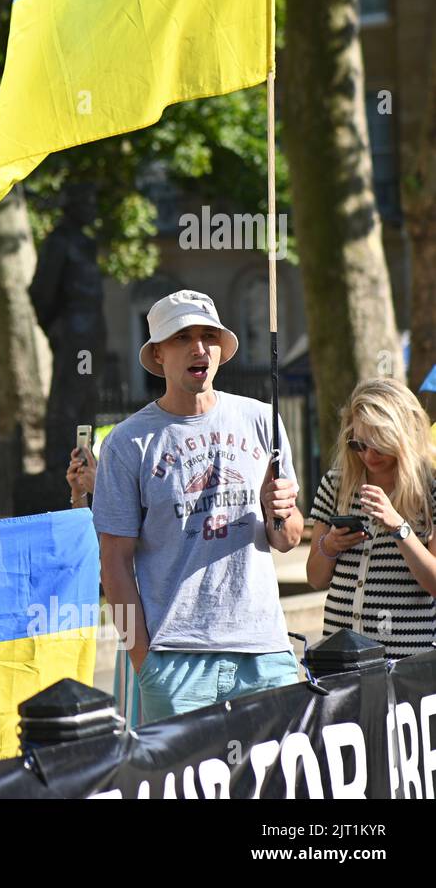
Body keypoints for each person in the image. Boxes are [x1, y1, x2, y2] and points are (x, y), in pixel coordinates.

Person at [94, 290, 303, 723]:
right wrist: (143, 662)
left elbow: (289, 539)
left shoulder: (263, 420)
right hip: (175, 662)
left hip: (265, 653)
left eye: (209, 335)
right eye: (182, 336)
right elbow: (114, 562)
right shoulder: (127, 442)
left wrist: (280, 511)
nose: (198, 347)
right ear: (158, 353)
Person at [305, 378, 436, 660]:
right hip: (341, 657)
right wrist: (330, 546)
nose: (368, 455)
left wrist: (399, 528)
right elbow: (315, 578)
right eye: (358, 445)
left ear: (401, 436)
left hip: (406, 661)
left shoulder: (430, 489)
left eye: (379, 445)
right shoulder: (337, 485)